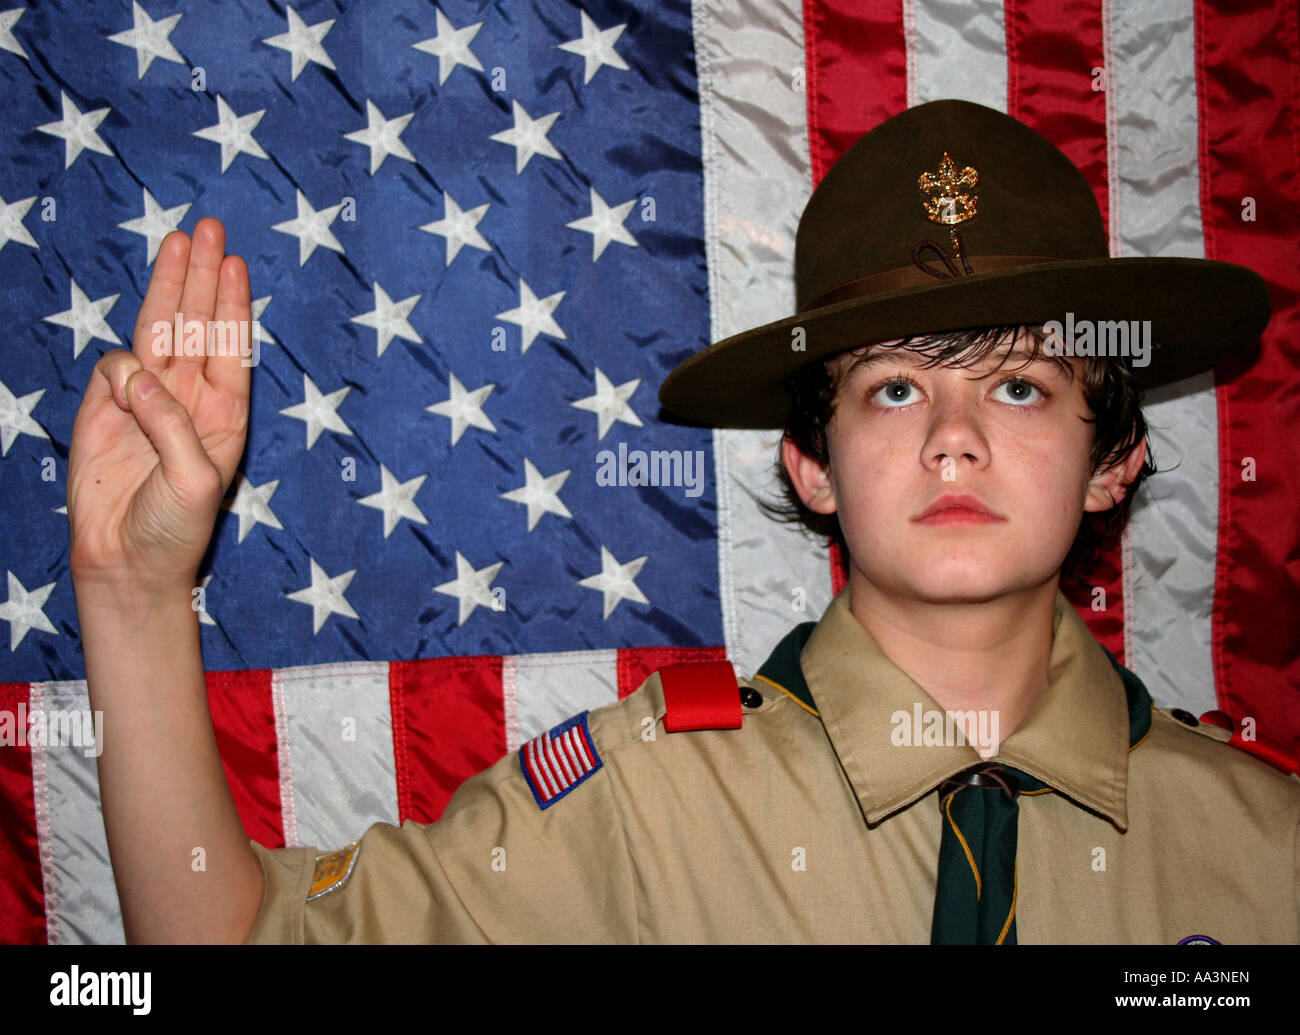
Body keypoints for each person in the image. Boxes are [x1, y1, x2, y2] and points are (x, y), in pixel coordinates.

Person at [69, 99, 1299, 945]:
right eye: (893, 389)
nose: (953, 436)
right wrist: (133, 597)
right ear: (812, 465)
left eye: (1020, 385)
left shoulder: (1262, 847)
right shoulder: (650, 803)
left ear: (1112, 459)